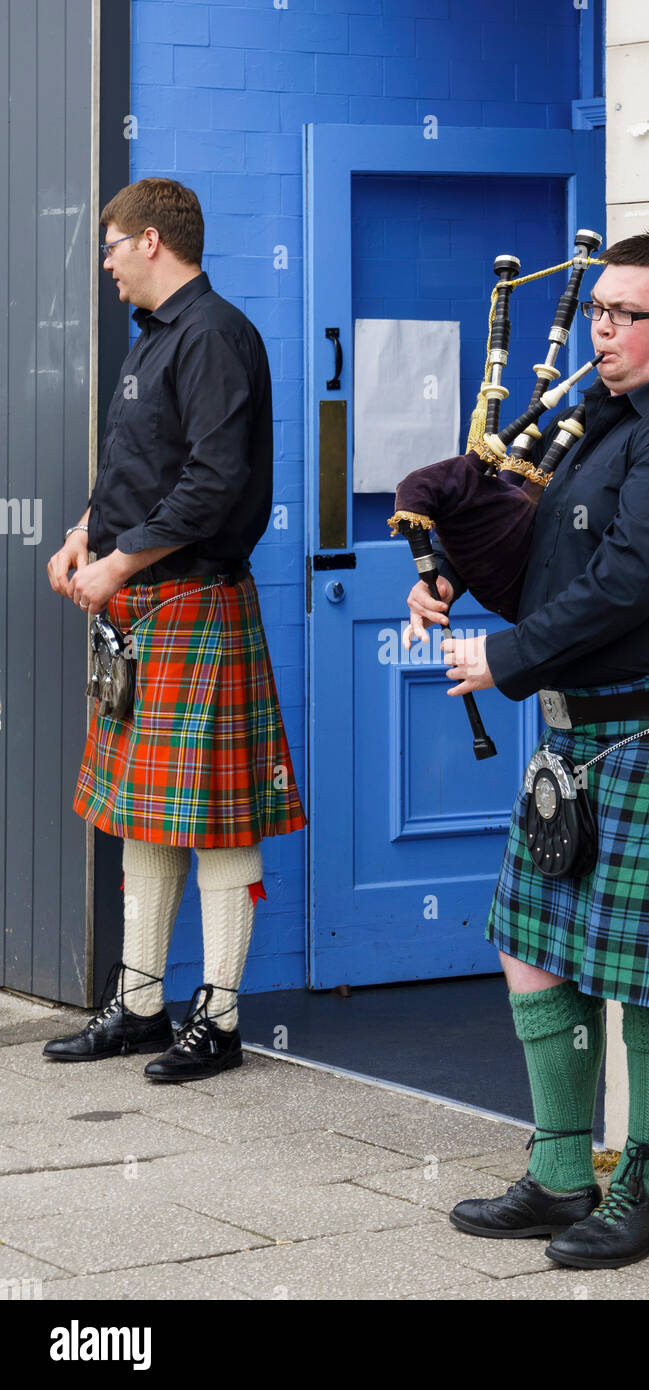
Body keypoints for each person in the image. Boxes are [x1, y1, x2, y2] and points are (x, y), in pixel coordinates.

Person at [403, 232, 649, 1269]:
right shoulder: (600, 423)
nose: (606, 331)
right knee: (532, 944)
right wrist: (454, 569)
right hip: (585, 735)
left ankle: (648, 1187)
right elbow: (546, 541)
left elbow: (627, 579)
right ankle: (555, 1172)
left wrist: (507, 654)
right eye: (598, 312)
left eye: (628, 315)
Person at [44, 178, 305, 1081]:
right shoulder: (152, 340)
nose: (106, 264)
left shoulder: (216, 335)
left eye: (111, 246)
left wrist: (122, 563)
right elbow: (137, 464)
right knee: (149, 821)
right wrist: (87, 534)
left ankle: (222, 1020)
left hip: (193, 600)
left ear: (151, 240)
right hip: (146, 605)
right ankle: (143, 1006)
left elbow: (214, 480)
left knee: (221, 824)